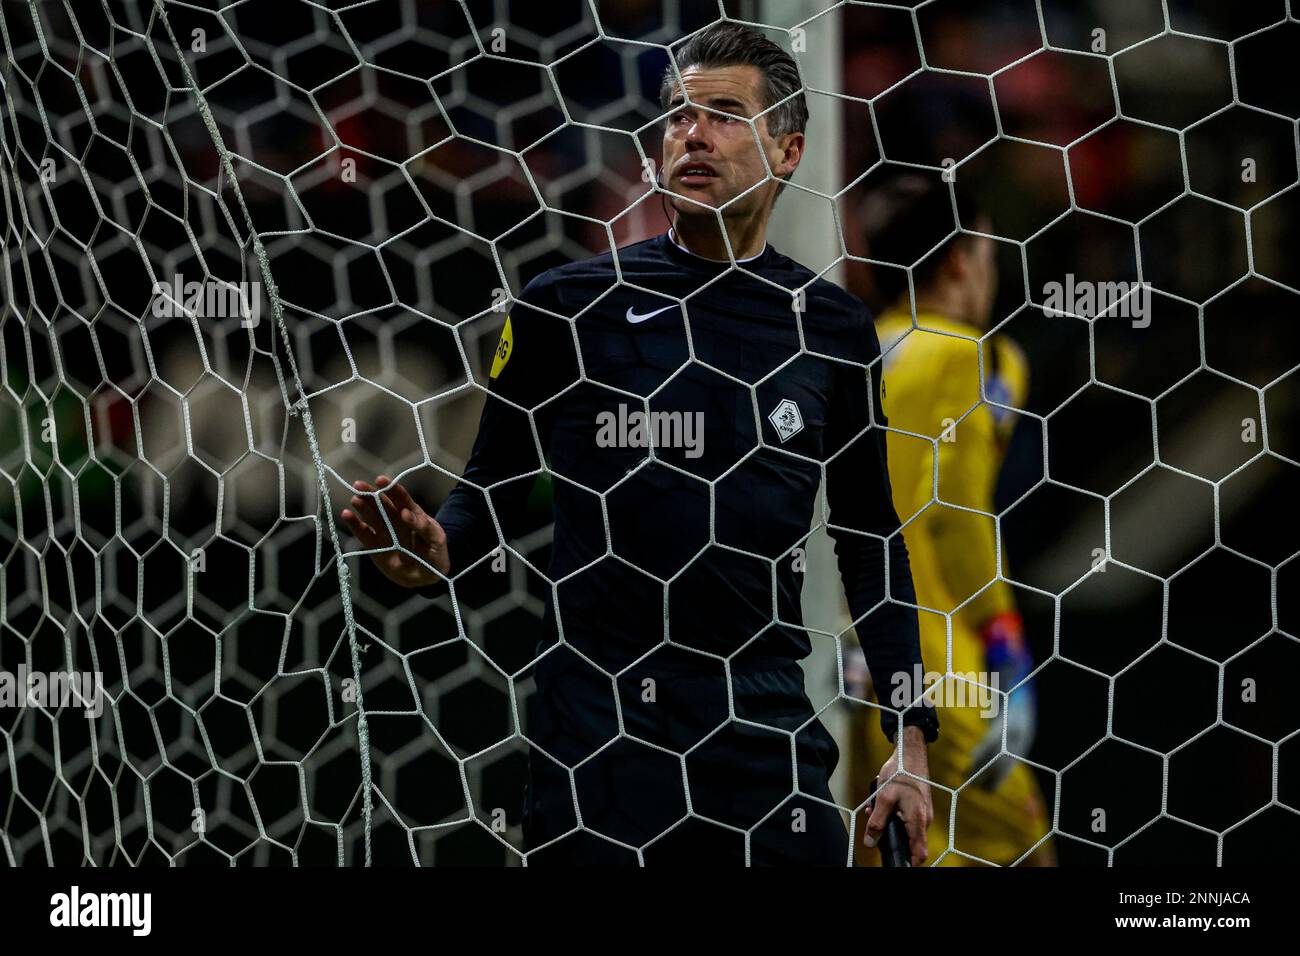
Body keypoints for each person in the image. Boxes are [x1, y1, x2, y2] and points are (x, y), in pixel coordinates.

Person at [341, 22, 938, 865]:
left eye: (725, 115)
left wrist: (909, 746)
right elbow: (490, 491)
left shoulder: (832, 330)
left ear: (789, 148)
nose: (692, 134)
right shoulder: (566, 306)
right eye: (678, 116)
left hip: (764, 734)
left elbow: (871, 539)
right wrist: (432, 549)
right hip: (600, 740)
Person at [846, 173, 1056, 866]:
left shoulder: (859, 349)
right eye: (989, 254)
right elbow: (959, 524)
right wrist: (1008, 652)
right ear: (963, 259)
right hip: (938, 663)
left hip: (860, 664)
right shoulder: (962, 354)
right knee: (1019, 849)